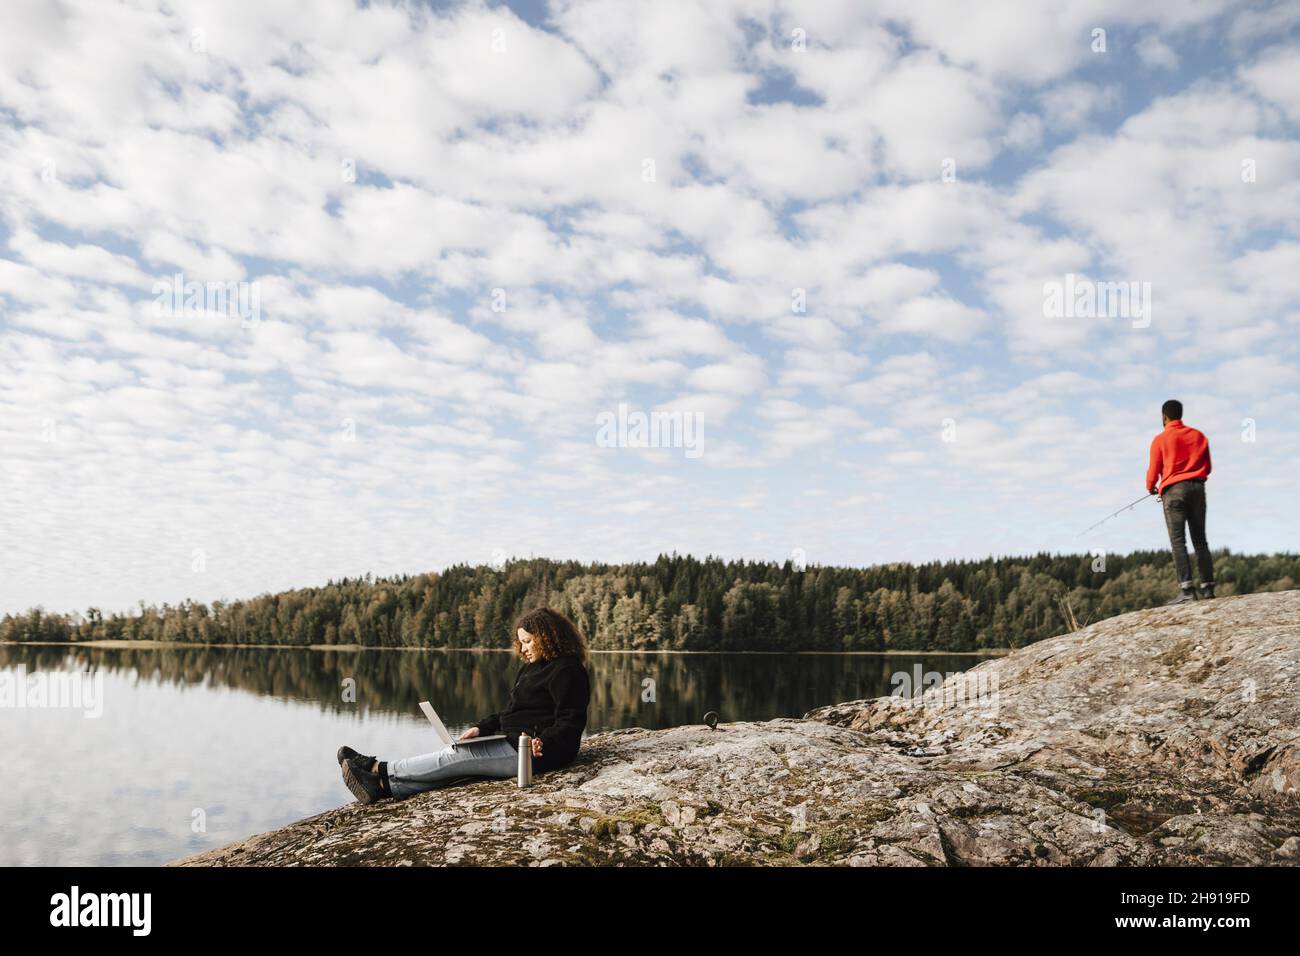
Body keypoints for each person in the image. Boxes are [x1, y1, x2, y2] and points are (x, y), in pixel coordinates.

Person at [337, 607, 592, 804]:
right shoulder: (531, 668)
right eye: (521, 642)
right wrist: (481, 729)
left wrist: (544, 742)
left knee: (457, 756)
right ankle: (385, 788)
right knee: (456, 766)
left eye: (528, 641)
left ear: (547, 637)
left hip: (537, 754)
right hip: (512, 741)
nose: (523, 649)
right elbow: (512, 713)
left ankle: (377, 770)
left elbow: (571, 720)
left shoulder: (568, 670)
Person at [1146, 399, 1214, 605]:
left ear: (1164, 417)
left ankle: (1186, 590)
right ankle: (1208, 588)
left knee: (1178, 541)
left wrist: (1151, 488)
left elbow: (1153, 471)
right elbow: (1208, 467)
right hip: (1197, 488)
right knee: (1200, 540)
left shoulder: (1160, 439)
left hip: (1173, 492)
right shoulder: (1199, 436)